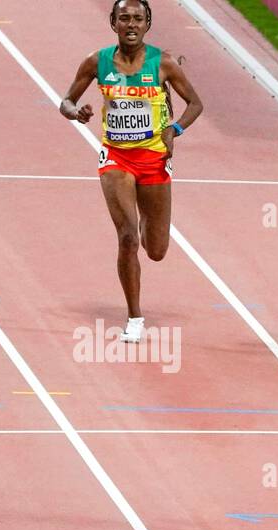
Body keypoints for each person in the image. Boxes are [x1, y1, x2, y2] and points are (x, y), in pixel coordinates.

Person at [59, 0, 203, 344]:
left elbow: (195, 104)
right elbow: (64, 101)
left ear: (148, 22)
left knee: (156, 249)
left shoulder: (164, 63)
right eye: (124, 18)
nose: (131, 24)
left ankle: (145, 220)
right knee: (127, 238)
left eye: (138, 18)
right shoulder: (97, 61)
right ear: (113, 22)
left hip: (153, 159)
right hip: (116, 158)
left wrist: (176, 130)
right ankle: (134, 317)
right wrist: (76, 112)